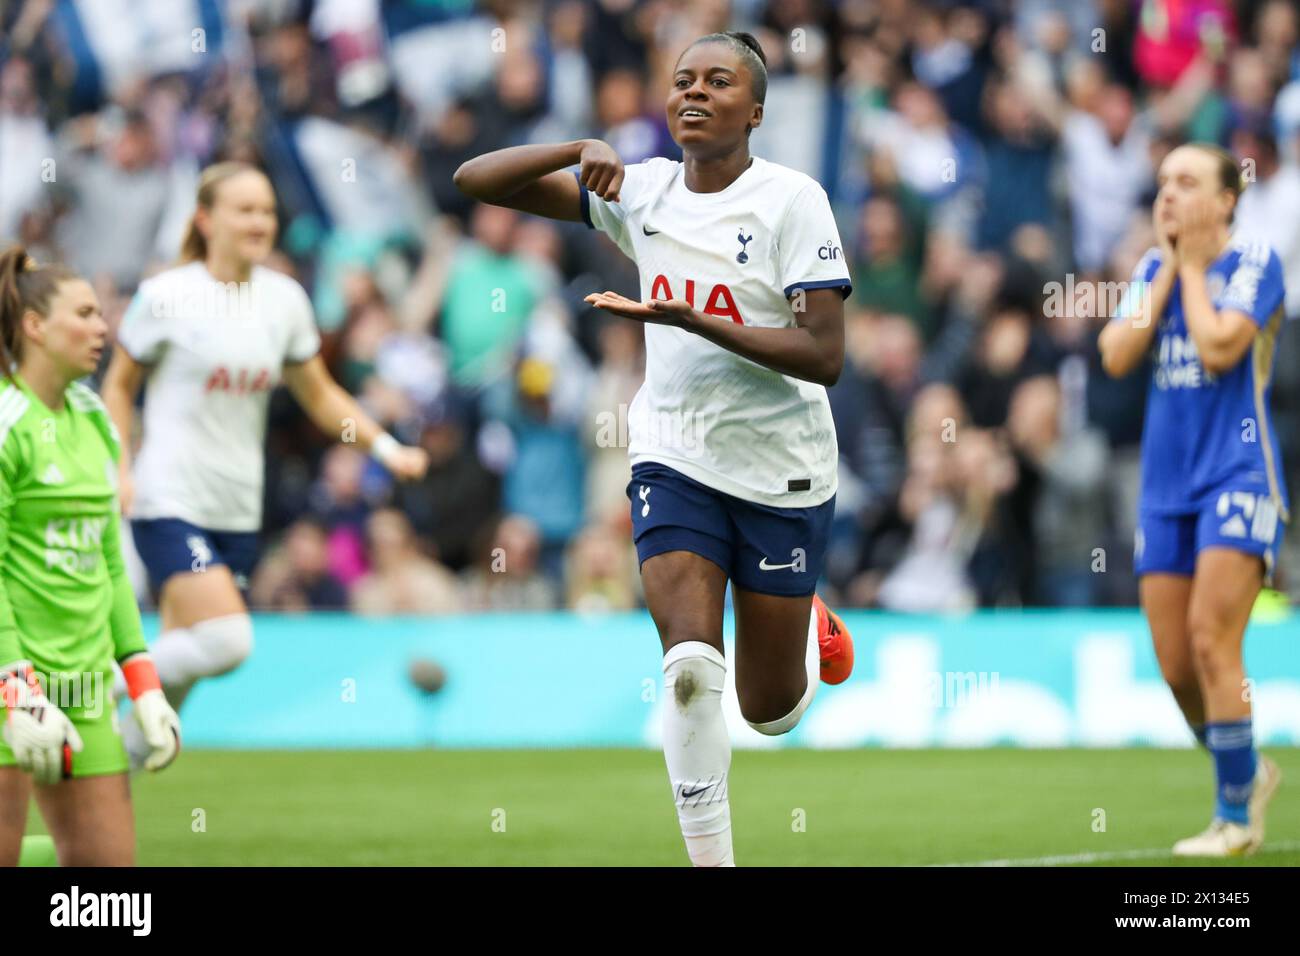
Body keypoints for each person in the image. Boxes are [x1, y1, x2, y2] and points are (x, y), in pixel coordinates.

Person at [455, 31, 854, 867]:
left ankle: (805, 616)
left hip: (782, 467)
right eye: (681, 82)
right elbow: (474, 181)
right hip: (674, 454)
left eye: (718, 82)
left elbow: (826, 356)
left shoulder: (792, 201)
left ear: (756, 109)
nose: (694, 94)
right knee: (686, 672)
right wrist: (577, 145)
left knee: (770, 711)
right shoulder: (640, 190)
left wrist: (692, 320)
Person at [100, 162, 428, 766]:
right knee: (227, 640)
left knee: (173, 692)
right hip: (168, 497)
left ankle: (100, 786)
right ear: (205, 219)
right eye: (245, 210)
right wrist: (118, 467)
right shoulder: (166, 295)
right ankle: (82, 688)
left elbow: (321, 395)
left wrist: (385, 447)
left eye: (267, 211)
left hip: (238, 508)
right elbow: (118, 387)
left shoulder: (284, 301)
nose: (260, 222)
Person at [1099, 142, 1285, 856]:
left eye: (1186, 182)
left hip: (1238, 476)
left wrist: (1197, 268)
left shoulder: (1258, 263)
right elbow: (1116, 354)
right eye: (1163, 183)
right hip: (1165, 489)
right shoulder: (1154, 266)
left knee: (1213, 641)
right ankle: (1247, 771)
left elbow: (1216, 348)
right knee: (1176, 665)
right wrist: (1175, 262)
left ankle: (1234, 818)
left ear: (1225, 201)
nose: (1168, 195)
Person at [0, 247, 179, 866]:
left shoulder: (95, 417)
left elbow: (107, 565)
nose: (104, 328)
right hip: (10, 689)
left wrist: (145, 686)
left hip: (84, 692)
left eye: (102, 314)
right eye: (85, 313)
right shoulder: (6, 422)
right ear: (34, 327)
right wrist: (15, 692)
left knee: (107, 898)